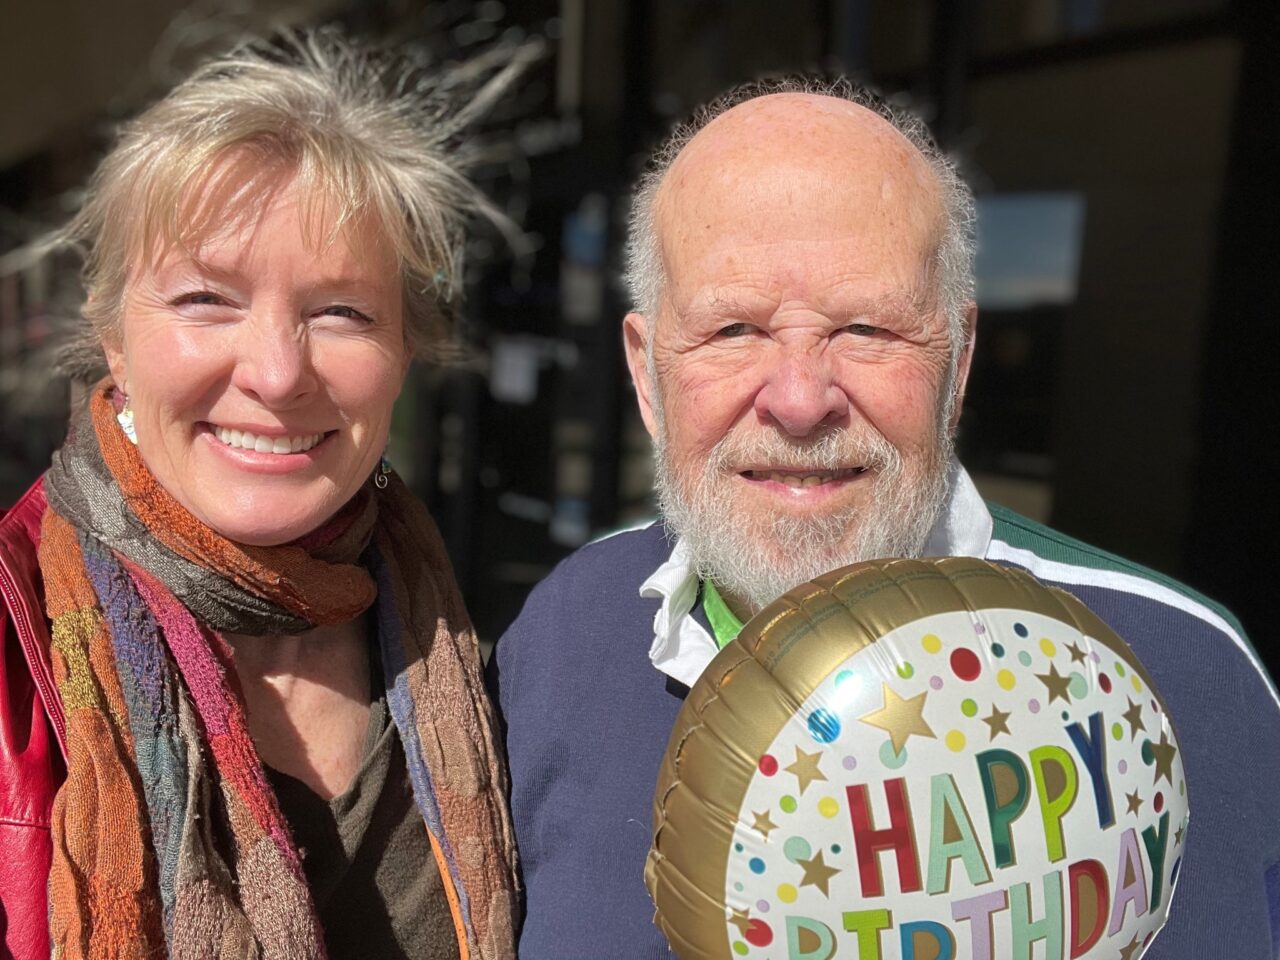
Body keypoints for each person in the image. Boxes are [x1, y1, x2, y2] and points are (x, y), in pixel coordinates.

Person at [490, 78, 1280, 959]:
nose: (798, 401)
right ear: (644, 373)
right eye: (733, 331)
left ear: (959, 361)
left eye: (866, 328)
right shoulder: (564, 631)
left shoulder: (1185, 678)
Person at [0, 31, 527, 960]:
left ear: (407, 352)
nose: (279, 375)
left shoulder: (469, 646)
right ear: (114, 336)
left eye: (341, 312)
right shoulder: (17, 638)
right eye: (207, 299)